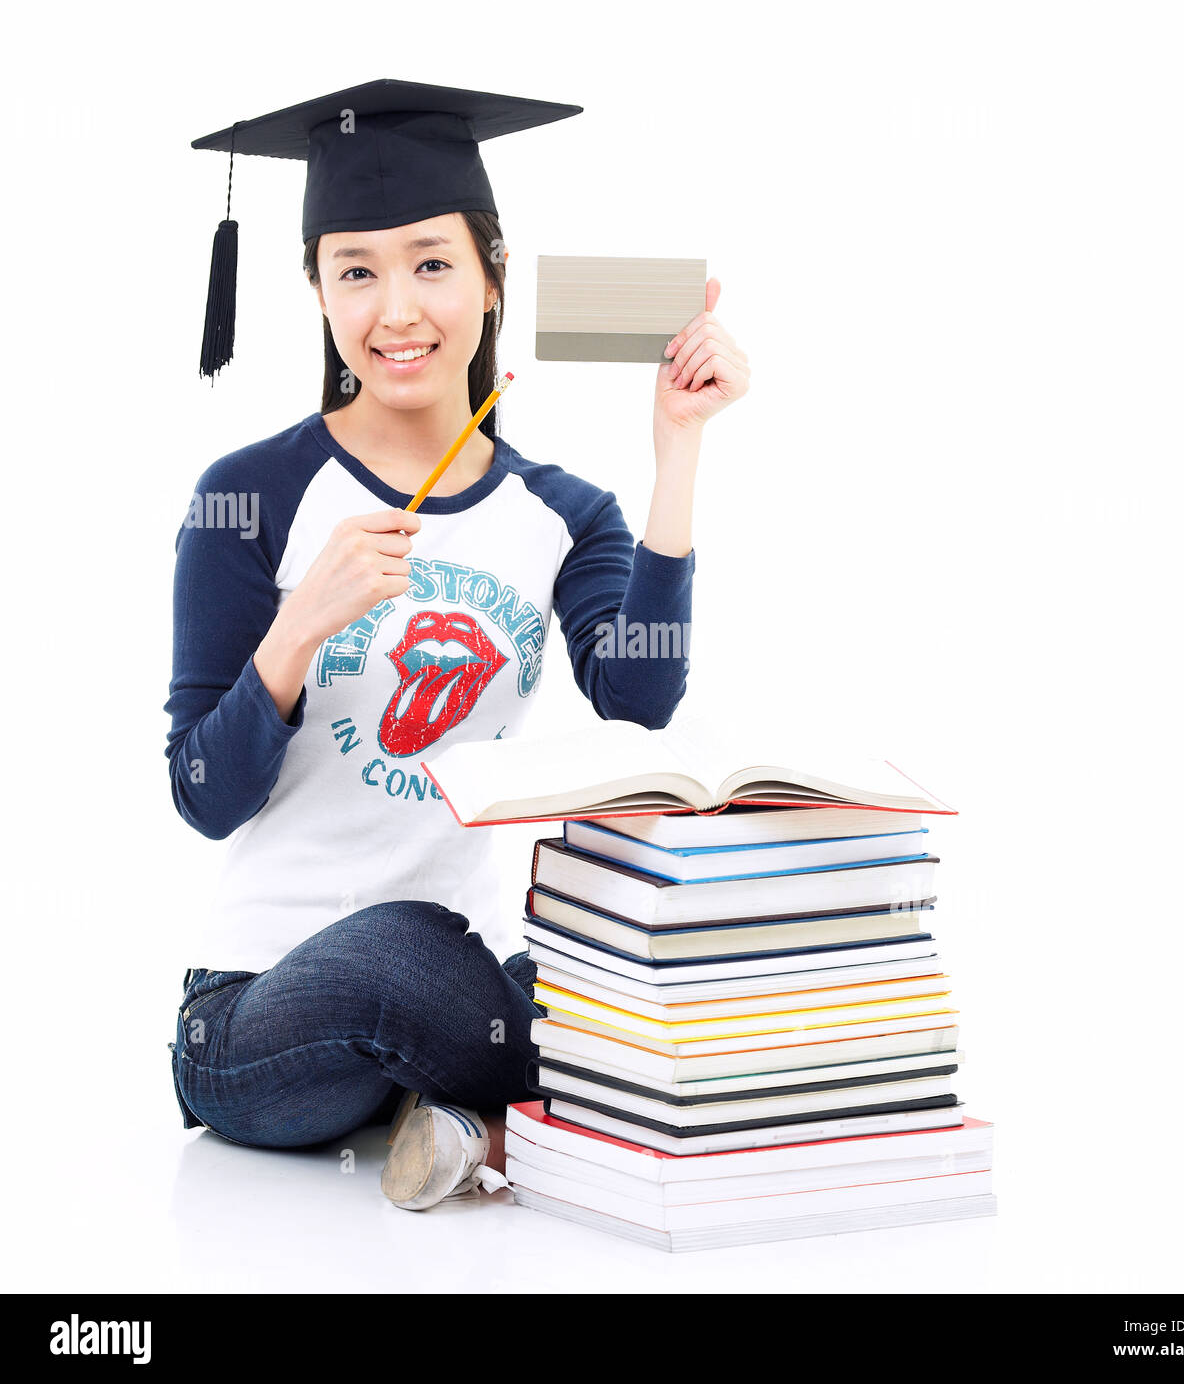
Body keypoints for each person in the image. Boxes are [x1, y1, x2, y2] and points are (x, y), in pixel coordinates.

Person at [165, 81, 750, 1209]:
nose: (397, 311)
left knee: (607, 961)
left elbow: (640, 693)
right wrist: (297, 628)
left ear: (491, 276)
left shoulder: (562, 511)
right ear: (318, 291)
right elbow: (203, 795)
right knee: (401, 948)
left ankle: (467, 1128)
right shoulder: (248, 494)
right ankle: (573, 1095)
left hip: (464, 985)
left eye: (432, 263)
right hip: (258, 1012)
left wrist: (675, 451)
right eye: (357, 271)